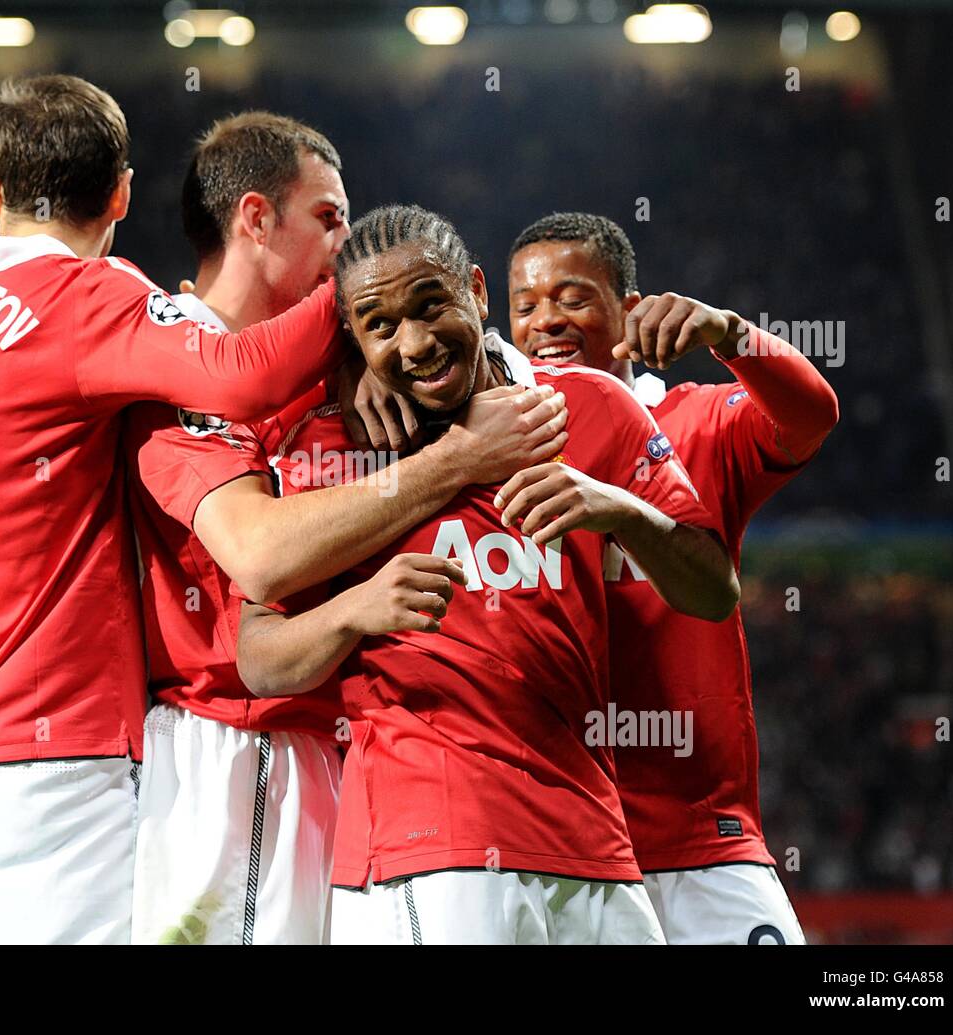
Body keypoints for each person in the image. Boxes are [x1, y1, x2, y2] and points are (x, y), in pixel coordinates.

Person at [0, 75, 351, 945]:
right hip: (45, 780)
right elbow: (240, 373)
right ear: (122, 194)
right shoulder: (85, 297)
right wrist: (369, 281)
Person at [236, 205, 739, 945]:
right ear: (353, 340)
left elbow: (713, 590)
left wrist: (621, 511)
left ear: (476, 291)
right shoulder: (333, 444)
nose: (415, 342)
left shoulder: (590, 407)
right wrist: (352, 610)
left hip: (595, 841)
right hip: (431, 849)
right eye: (379, 326)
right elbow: (258, 655)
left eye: (431, 305)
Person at [126, 115, 569, 944]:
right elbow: (262, 557)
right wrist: (454, 459)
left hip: (359, 760)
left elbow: (487, 359)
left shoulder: (340, 361)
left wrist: (362, 359)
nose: (349, 243)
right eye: (331, 218)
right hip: (243, 756)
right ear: (256, 219)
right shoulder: (179, 374)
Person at [507, 212, 839, 943]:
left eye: (571, 297)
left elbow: (812, 415)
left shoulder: (694, 421)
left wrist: (731, 335)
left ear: (630, 308)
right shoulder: (495, 447)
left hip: (701, 844)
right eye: (524, 305)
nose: (545, 322)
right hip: (556, 844)